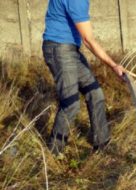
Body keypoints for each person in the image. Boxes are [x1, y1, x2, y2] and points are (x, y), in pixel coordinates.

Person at [42, 0, 126, 155]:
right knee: (71, 104)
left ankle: (101, 143)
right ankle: (54, 151)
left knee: (95, 94)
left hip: (70, 49)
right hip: (60, 49)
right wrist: (114, 66)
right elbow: (88, 40)